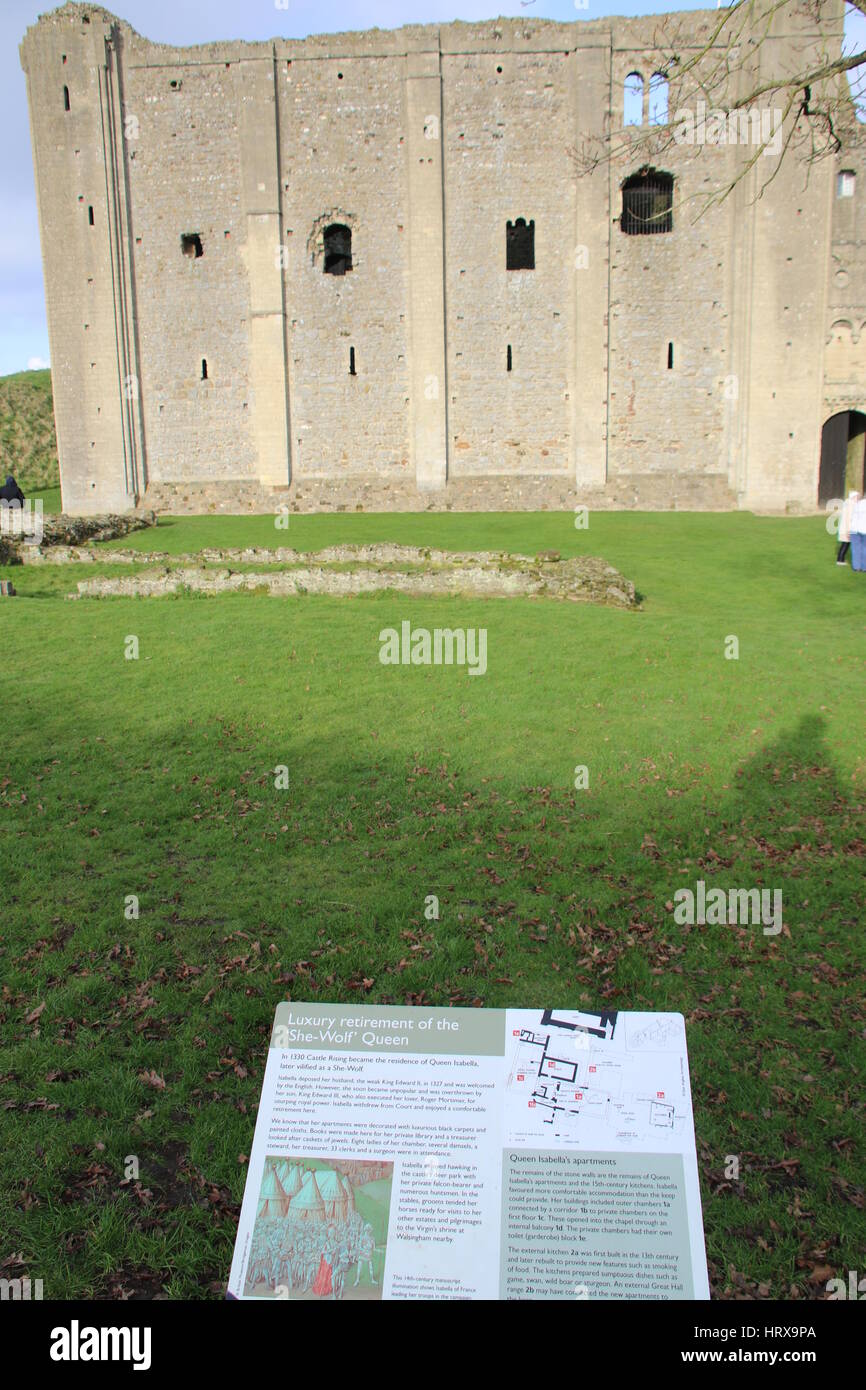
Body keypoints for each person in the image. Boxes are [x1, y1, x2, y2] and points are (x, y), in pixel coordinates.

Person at [837, 490, 859, 565]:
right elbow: (849, 519)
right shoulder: (851, 505)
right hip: (847, 529)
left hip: (845, 528)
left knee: (845, 544)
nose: (857, 498)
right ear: (853, 497)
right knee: (845, 544)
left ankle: (841, 559)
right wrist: (849, 531)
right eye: (856, 497)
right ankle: (840, 560)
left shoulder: (848, 504)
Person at [850, 493, 866, 573]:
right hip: (864, 529)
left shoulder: (857, 504)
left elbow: (853, 517)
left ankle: (856, 567)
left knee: (856, 548)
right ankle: (864, 567)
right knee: (864, 548)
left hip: (854, 528)